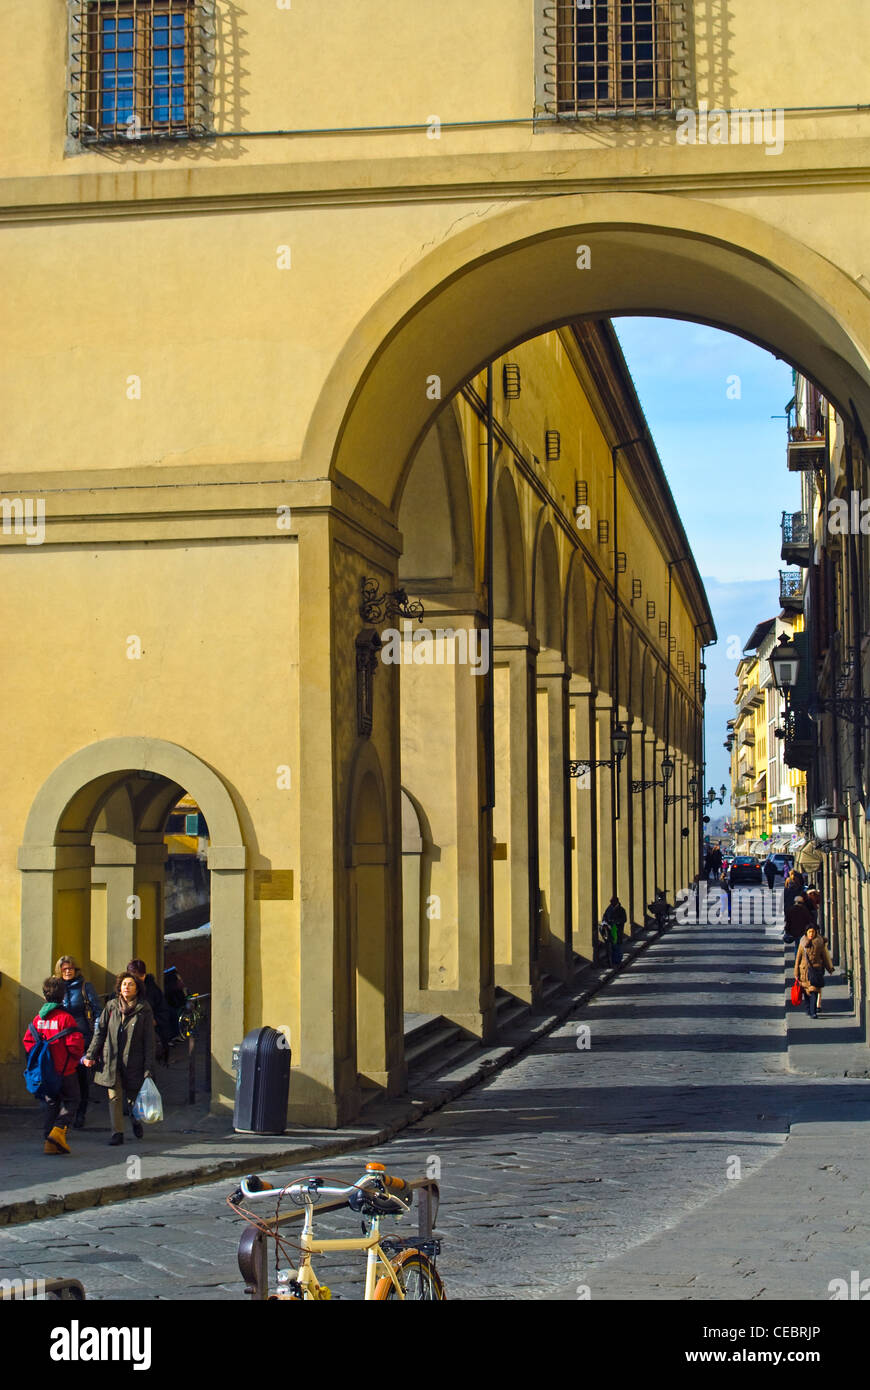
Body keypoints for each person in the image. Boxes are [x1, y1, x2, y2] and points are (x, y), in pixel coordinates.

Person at [83, 973, 156, 1145]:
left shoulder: (144, 1009)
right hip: (112, 1059)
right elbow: (100, 1032)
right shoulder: (111, 1007)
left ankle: (135, 1120)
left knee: (132, 1097)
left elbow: (149, 1040)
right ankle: (117, 1133)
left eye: (130, 984)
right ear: (119, 987)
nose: (126, 987)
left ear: (137, 988)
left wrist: (148, 1066)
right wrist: (91, 1054)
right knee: (114, 1097)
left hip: (135, 1060)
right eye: (124, 984)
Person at [22, 977, 85, 1154]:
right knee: (72, 1100)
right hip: (65, 1070)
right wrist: (74, 1059)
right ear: (63, 995)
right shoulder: (66, 1018)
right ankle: (57, 1131)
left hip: (45, 1072)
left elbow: (28, 1041)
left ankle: (48, 1140)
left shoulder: (37, 1019)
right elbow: (75, 1046)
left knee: (51, 1103)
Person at [55, 954, 101, 1129]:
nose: (67, 971)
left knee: (82, 1077)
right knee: (63, 1077)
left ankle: (80, 1113)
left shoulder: (84, 987)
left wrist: (96, 1037)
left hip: (82, 1039)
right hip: (61, 1040)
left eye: (70, 968)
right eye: (64, 969)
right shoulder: (56, 987)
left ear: (76, 970)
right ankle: (64, 1113)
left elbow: (98, 1012)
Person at [126, 958, 172, 1061]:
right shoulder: (123, 989)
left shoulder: (153, 990)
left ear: (144, 975)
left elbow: (164, 1011)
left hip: (148, 1036)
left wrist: (154, 1021)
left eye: (140, 976)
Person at [795, 924, 833, 1018]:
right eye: (809, 932)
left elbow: (825, 957)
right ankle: (808, 1009)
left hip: (815, 971)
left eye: (813, 932)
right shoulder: (802, 943)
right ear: (806, 933)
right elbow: (798, 958)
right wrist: (796, 973)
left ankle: (813, 1012)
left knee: (814, 991)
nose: (811, 934)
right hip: (804, 971)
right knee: (806, 992)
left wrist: (829, 968)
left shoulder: (820, 943)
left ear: (816, 933)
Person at [602, 896, 627, 967]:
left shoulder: (621, 910)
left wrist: (616, 922)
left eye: (612, 901)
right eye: (610, 901)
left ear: (617, 901)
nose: (611, 902)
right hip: (609, 929)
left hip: (617, 929)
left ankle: (617, 961)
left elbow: (624, 919)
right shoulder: (608, 909)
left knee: (617, 945)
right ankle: (612, 960)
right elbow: (604, 917)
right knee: (611, 945)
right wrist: (604, 923)